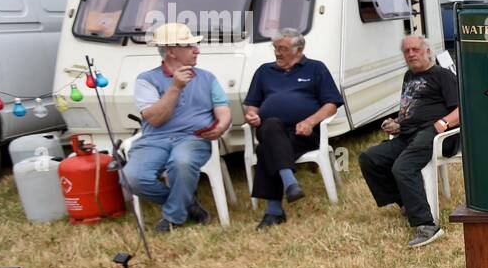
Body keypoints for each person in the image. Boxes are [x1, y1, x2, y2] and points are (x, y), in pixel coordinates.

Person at [122, 22, 232, 233]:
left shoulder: (207, 78)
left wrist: (221, 127)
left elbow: (223, 110)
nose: (197, 50)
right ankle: (188, 205)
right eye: (190, 46)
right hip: (155, 139)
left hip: (193, 138)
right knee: (131, 177)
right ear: (171, 51)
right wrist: (175, 87)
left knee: (181, 162)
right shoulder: (146, 80)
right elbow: (154, 119)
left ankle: (173, 217)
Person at [358, 35, 459, 248]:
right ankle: (406, 202)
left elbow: (462, 109)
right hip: (408, 134)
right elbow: (409, 110)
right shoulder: (409, 76)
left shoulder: (442, 76)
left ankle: (427, 226)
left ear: (427, 51)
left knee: (402, 167)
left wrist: (442, 123)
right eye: (407, 51)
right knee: (370, 158)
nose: (411, 54)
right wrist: (396, 123)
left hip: (436, 135)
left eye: (415, 49)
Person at [242, 29, 344, 230]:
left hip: (303, 133)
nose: (278, 53)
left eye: (283, 49)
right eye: (276, 48)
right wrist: (251, 115)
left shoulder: (315, 68)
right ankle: (289, 182)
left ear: (299, 50)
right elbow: (252, 104)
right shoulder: (264, 71)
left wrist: (310, 122)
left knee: (265, 150)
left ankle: (274, 211)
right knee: (271, 125)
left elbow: (331, 103)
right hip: (269, 128)